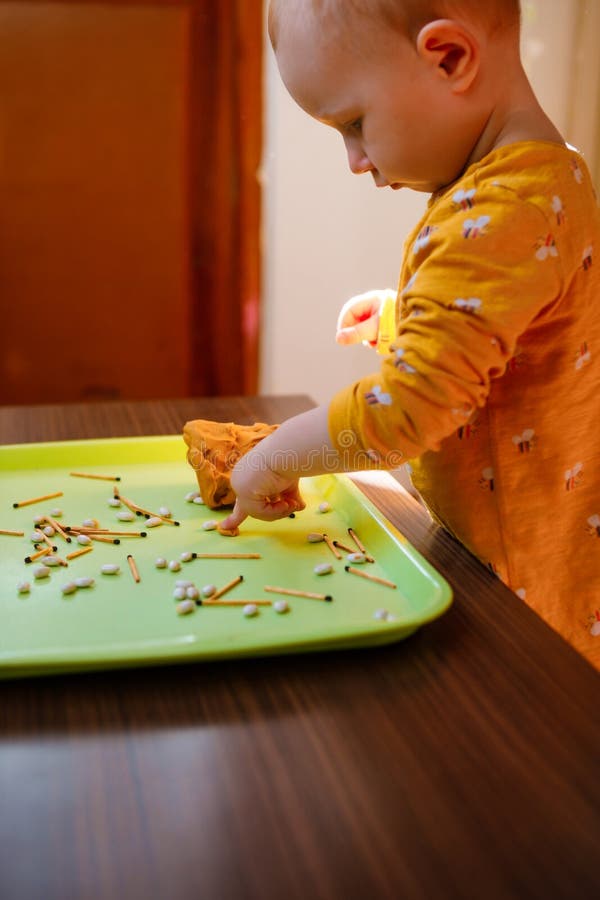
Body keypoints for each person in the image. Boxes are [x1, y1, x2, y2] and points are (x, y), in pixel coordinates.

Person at [221, 0, 600, 668]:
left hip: (517, 599)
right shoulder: (550, 173)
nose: (355, 160)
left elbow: (410, 410)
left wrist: (276, 456)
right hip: (526, 557)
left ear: (449, 58)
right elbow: (516, 326)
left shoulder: (504, 204)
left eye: (354, 123)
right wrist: (409, 316)